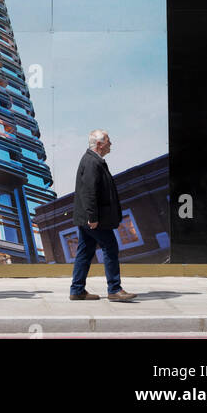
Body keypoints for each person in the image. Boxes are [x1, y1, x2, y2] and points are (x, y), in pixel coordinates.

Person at [69, 129, 137, 302]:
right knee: (110, 247)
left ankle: (77, 290)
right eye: (108, 140)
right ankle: (114, 289)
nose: (110, 144)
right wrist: (92, 217)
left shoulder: (93, 160)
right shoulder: (92, 162)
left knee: (85, 251)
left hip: (88, 217)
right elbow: (89, 192)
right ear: (99, 144)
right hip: (92, 219)